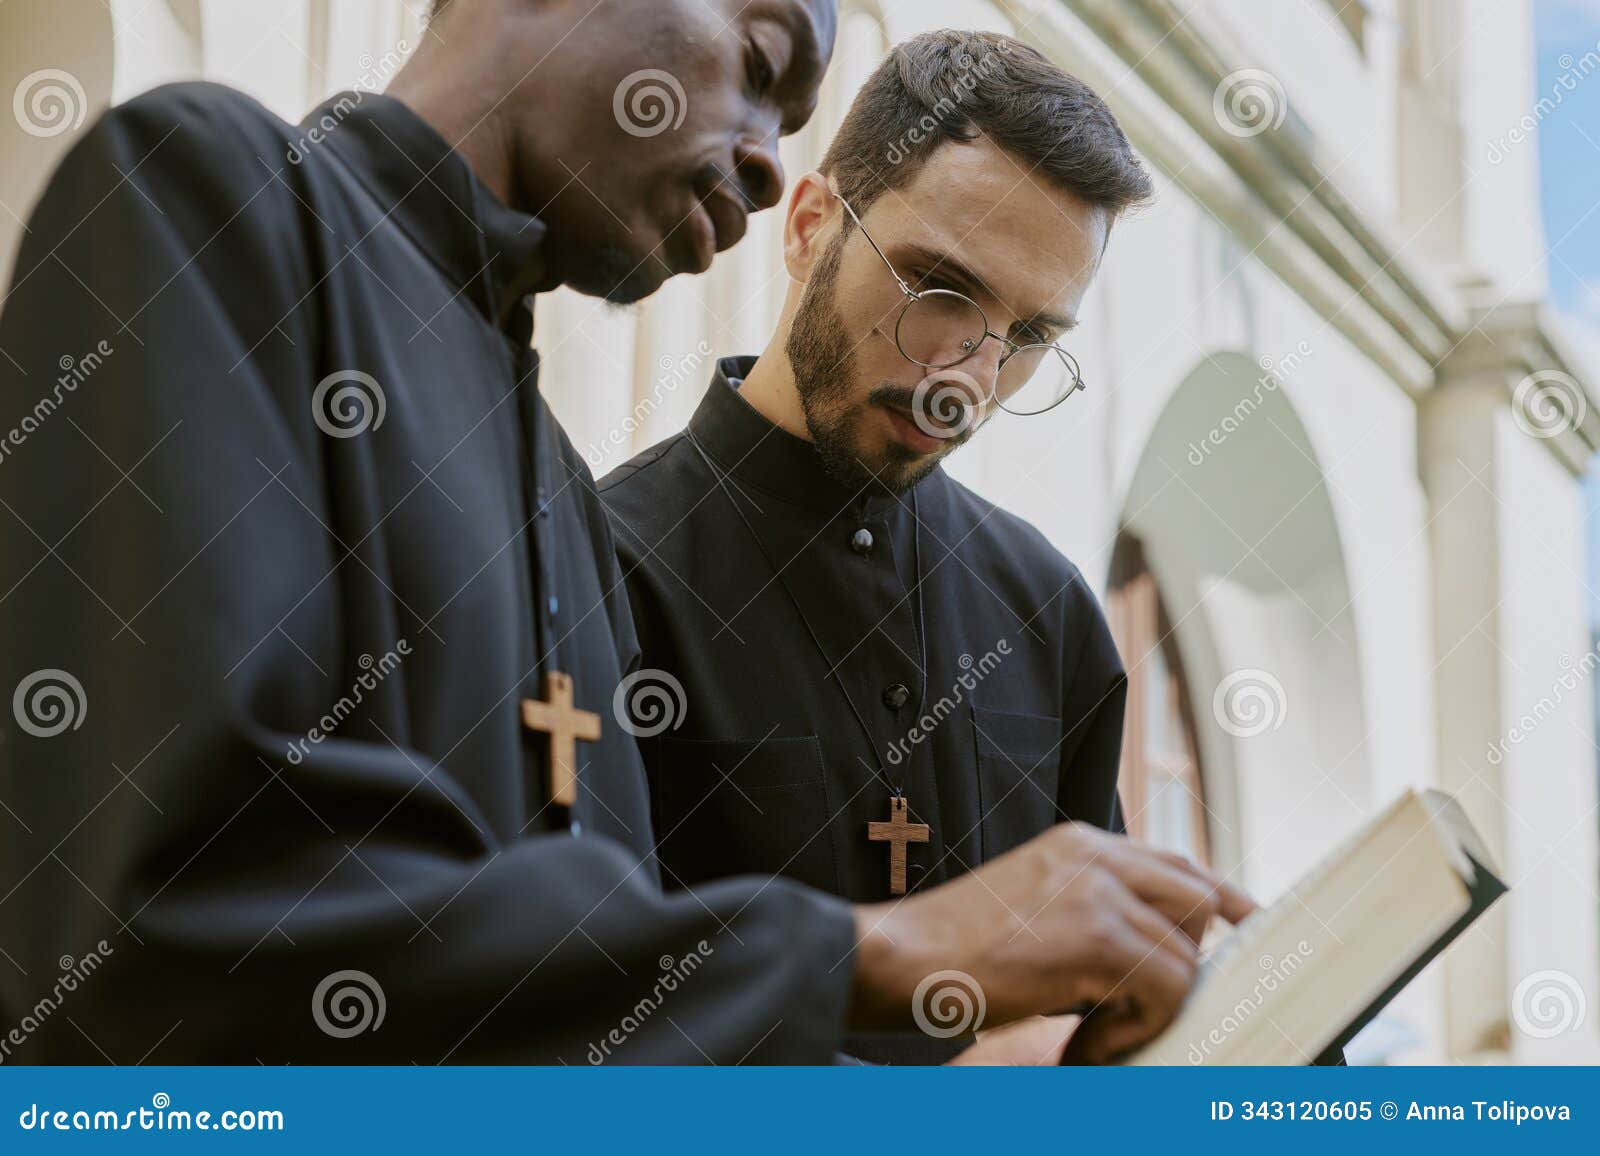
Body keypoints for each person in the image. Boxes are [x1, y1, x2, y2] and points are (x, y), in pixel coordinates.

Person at [0, 1, 1245, 1065]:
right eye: (758, 67)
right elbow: (166, 909)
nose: (762, 167)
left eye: (1031, 338)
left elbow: (577, 1023)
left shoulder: (540, 473)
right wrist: (870, 959)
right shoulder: (210, 194)